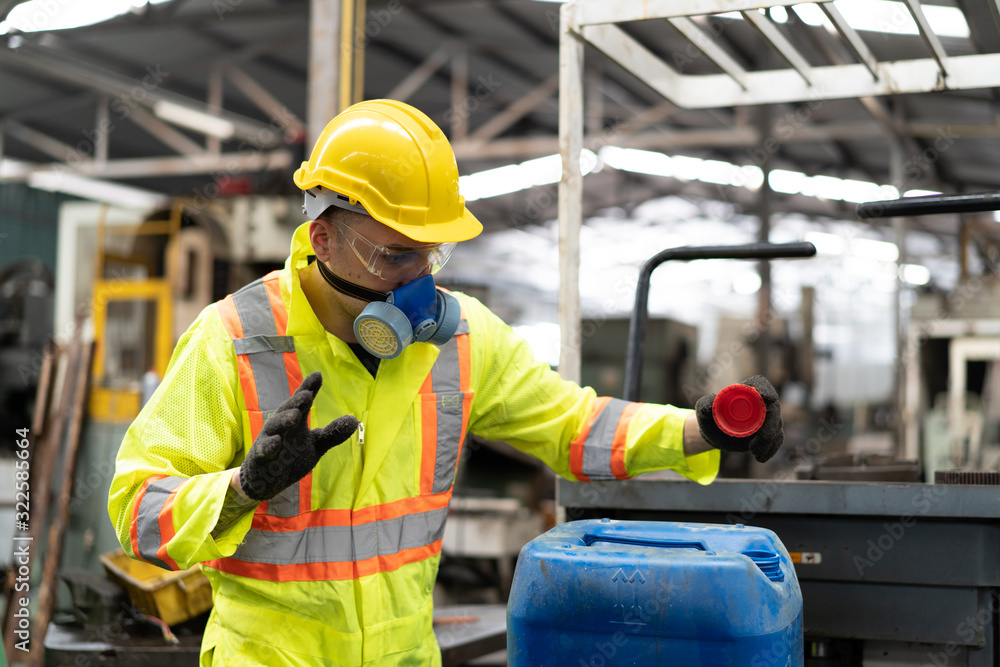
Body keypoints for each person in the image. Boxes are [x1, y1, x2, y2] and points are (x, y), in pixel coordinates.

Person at [108, 99, 784, 666]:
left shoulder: (460, 341)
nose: (417, 280)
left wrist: (706, 428)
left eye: (430, 253)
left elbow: (574, 426)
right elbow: (138, 511)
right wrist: (241, 488)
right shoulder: (233, 341)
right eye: (392, 255)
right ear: (323, 234)